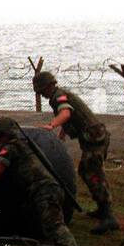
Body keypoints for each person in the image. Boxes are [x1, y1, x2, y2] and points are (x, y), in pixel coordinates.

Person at [33, 70, 119, 234]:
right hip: (94, 136)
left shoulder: (59, 96)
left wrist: (51, 125)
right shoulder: (59, 95)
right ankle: (103, 209)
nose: (42, 94)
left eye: (42, 90)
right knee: (88, 171)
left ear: (48, 86)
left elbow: (65, 113)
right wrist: (62, 134)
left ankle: (108, 215)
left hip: (94, 137)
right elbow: (69, 116)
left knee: (92, 172)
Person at [0, 118, 79, 246]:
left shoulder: (9, 149)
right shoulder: (25, 144)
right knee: (42, 222)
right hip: (49, 188)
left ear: (5, 135)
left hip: (43, 191)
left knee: (54, 226)